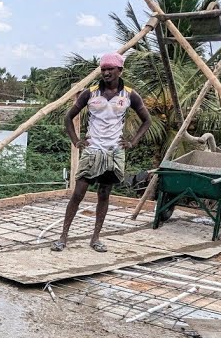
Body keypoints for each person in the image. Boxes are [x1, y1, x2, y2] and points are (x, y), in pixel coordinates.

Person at [51, 52, 151, 253]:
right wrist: (76, 141)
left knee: (104, 194)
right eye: (103, 69)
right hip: (92, 150)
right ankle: (63, 237)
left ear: (119, 70)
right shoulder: (90, 93)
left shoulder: (129, 95)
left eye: (110, 69)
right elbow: (68, 117)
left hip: (114, 152)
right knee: (78, 193)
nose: (106, 73)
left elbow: (147, 120)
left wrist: (132, 142)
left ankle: (95, 238)